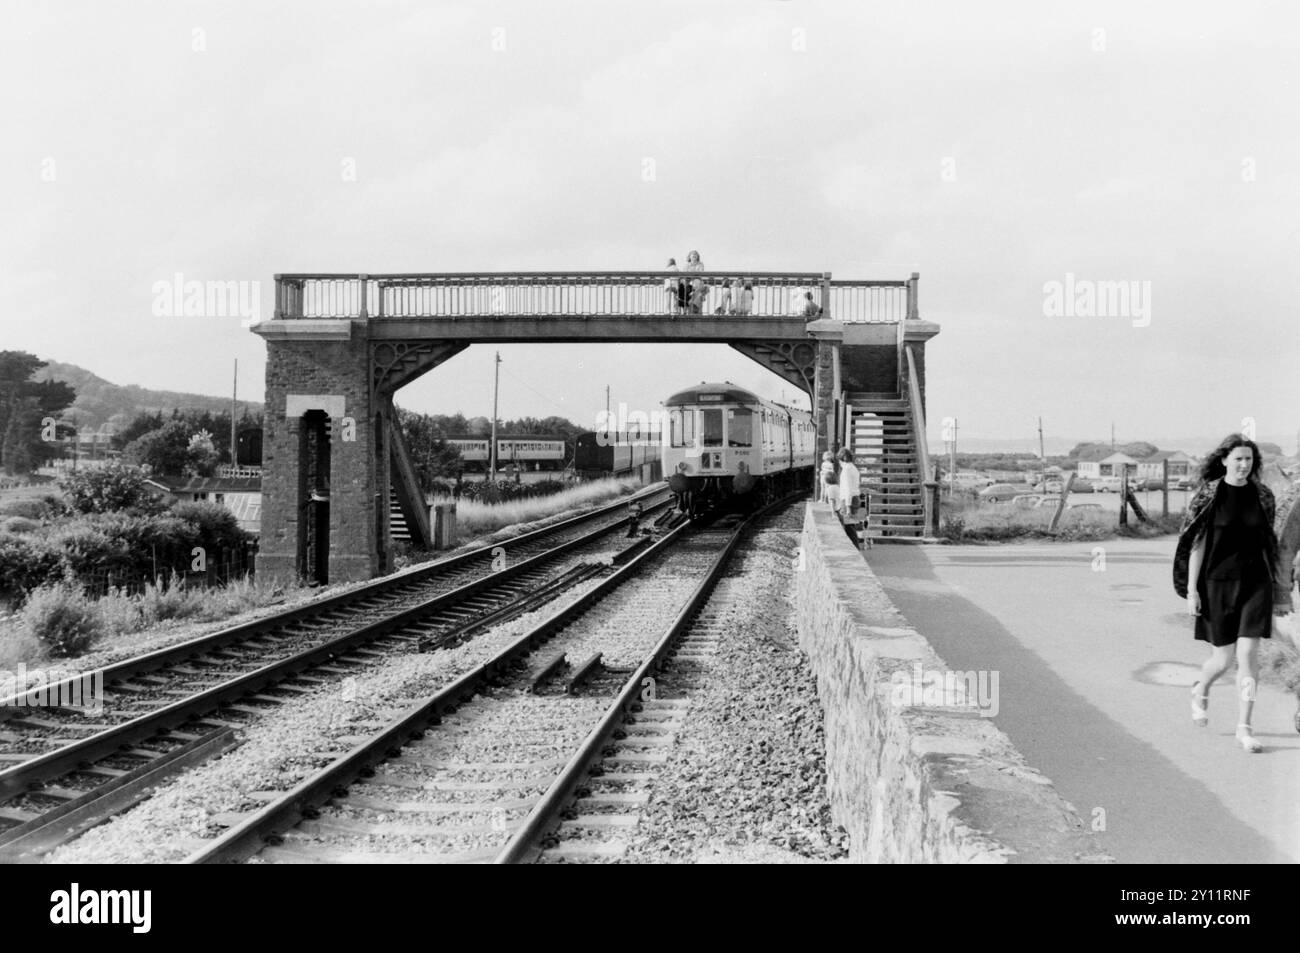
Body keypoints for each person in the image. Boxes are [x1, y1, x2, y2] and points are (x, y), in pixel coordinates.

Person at [1172, 434, 1291, 752]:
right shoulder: (1209, 494)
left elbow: (1270, 543)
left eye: (1249, 459)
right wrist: (1192, 591)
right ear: (1224, 460)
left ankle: (1245, 728)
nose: (1244, 464)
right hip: (1216, 585)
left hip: (1255, 585)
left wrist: (1280, 590)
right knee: (1222, 659)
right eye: (1238, 458)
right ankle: (1201, 688)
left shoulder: (1263, 496)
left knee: (1248, 656)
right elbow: (1195, 543)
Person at [837, 448, 864, 546]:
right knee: (851, 527)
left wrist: (848, 507)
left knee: (849, 528)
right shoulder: (853, 468)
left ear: (843, 458)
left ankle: (855, 549)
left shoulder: (847, 470)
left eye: (839, 459)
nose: (839, 462)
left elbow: (848, 489)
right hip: (854, 499)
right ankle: (856, 547)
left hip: (849, 501)